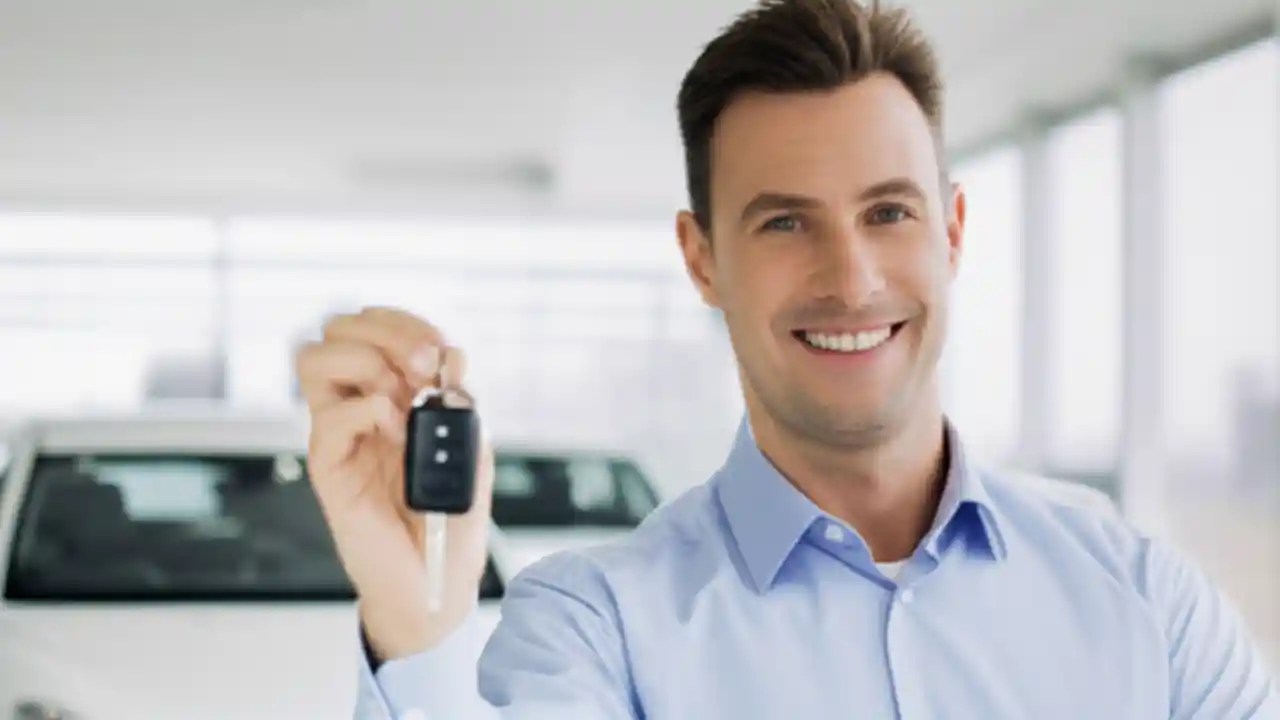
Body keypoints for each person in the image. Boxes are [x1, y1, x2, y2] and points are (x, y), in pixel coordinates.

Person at [295, 1, 1279, 718]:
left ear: (952, 233)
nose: (849, 279)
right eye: (783, 223)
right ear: (702, 259)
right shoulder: (595, 628)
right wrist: (418, 625)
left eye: (888, 212)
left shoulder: (1143, 598)